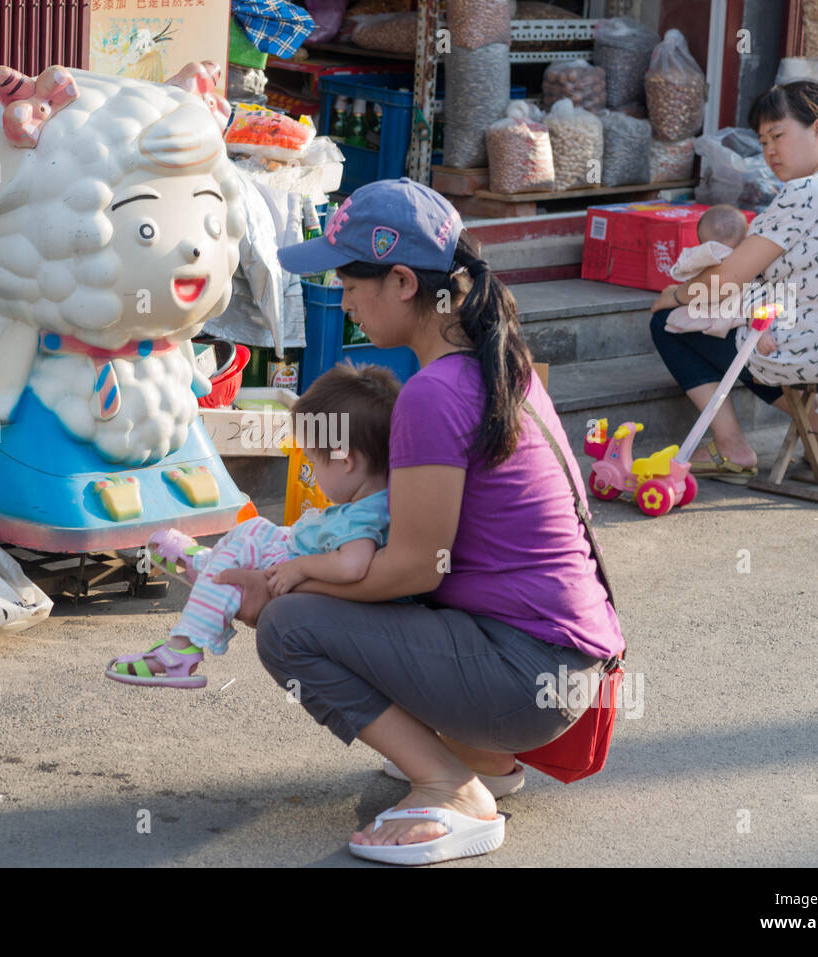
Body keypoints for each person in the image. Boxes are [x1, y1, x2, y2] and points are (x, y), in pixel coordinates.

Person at [214, 178, 625, 865]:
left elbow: (412, 566)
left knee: (291, 627)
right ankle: (482, 759)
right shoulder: (498, 364)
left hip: (527, 675)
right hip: (558, 665)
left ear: (402, 281)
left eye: (350, 279)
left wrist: (285, 584)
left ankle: (451, 785)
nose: (342, 298)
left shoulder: (433, 392)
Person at [649, 80, 818, 480]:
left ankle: (732, 447)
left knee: (671, 324)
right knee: (763, 327)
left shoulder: (808, 191)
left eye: (778, 135)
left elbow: (728, 279)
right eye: (763, 140)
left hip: (815, 355)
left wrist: (674, 294)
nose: (770, 151)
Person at [104, 363, 398, 687]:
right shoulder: (372, 503)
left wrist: (301, 569)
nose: (312, 471)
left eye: (313, 463)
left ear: (346, 461)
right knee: (251, 532)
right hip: (290, 548)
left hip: (289, 561)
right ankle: (207, 566)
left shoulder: (362, 517)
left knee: (242, 553)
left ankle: (182, 646)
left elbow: (353, 566)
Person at [664, 204, 753, 339]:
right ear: (746, 232)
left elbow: (682, 271)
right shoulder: (750, 253)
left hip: (711, 311)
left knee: (667, 322)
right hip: (744, 313)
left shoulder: (702, 255)